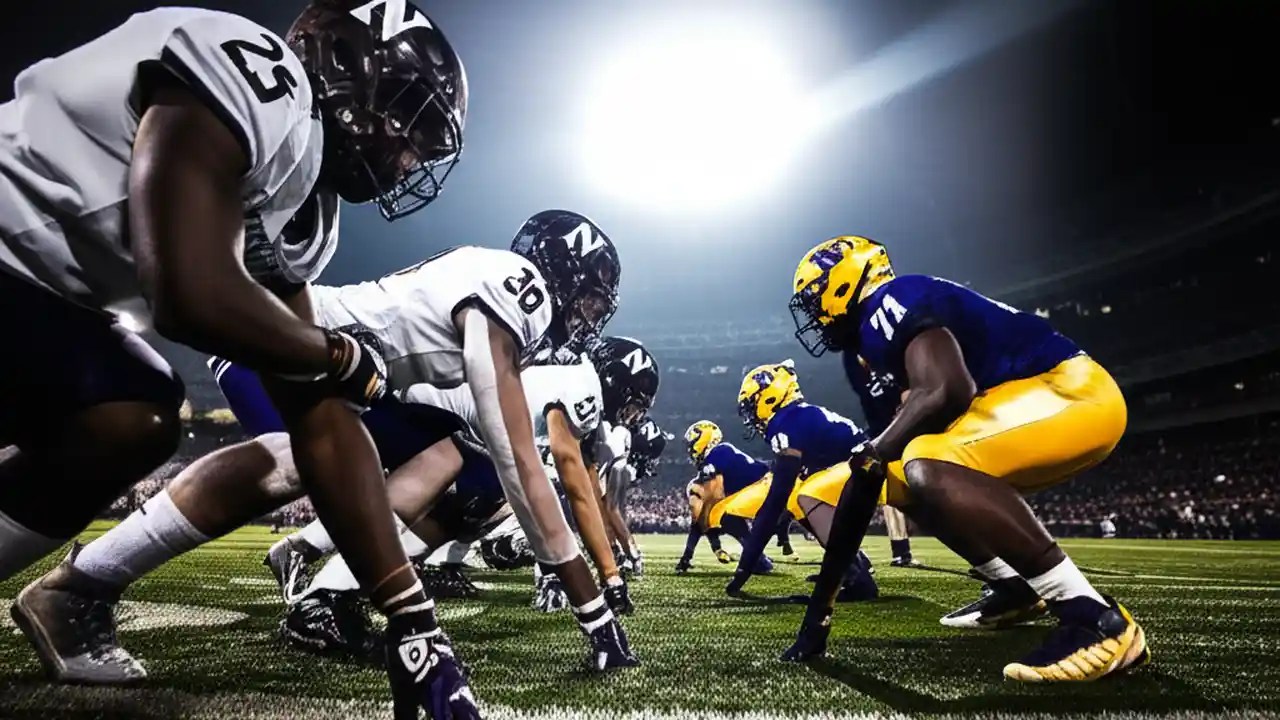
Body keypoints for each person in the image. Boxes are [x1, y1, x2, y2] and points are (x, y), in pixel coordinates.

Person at [1, 2, 479, 714]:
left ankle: (66, 596)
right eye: (408, 116)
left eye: (425, 144)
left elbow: (319, 415)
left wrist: (412, 620)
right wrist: (338, 353)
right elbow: (188, 290)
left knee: (132, 411)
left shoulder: (303, 210)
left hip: (37, 302)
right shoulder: (258, 69)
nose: (407, 153)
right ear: (343, 60)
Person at [782, 235, 1148, 683]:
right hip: (1016, 408)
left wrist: (875, 451)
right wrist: (819, 613)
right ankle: (1011, 586)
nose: (814, 316)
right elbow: (875, 467)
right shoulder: (865, 349)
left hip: (1070, 390)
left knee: (923, 458)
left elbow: (947, 390)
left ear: (843, 285)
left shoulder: (889, 301)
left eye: (815, 299)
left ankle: (1093, 617)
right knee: (898, 473)